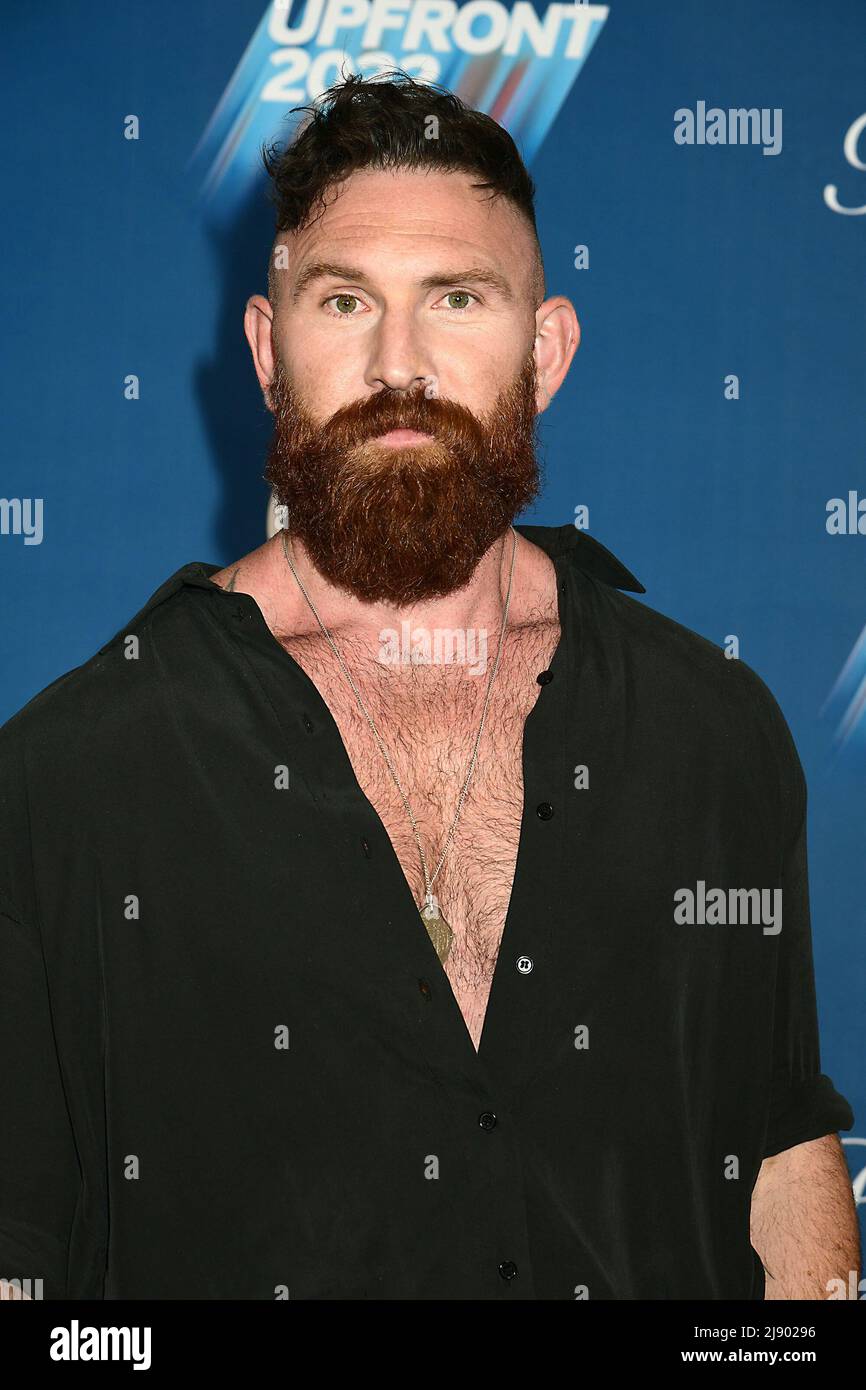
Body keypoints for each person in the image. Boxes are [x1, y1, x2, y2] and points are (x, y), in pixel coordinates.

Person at [0, 73, 857, 1302]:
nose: (397, 363)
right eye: (343, 299)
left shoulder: (710, 727)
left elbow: (775, 1142)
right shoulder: (73, 774)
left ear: (544, 349)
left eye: (456, 297)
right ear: (264, 348)